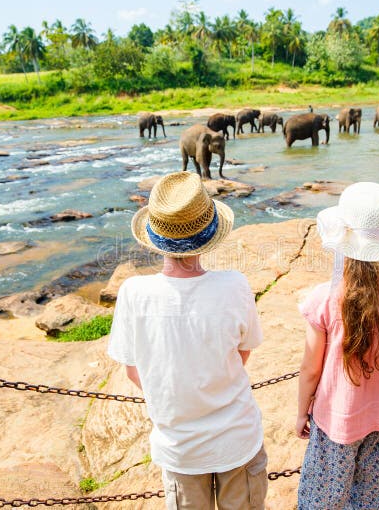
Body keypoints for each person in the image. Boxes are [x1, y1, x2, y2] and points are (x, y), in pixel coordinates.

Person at [108, 171, 267, 509]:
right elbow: (243, 353)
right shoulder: (235, 285)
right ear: (209, 233)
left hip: (179, 447)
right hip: (237, 438)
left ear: (156, 237)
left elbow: (134, 372)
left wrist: (179, 391)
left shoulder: (133, 293)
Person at [295, 182, 379, 509]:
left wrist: (301, 412)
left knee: (322, 498)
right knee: (370, 498)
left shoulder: (324, 298)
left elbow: (310, 369)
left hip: (336, 419)